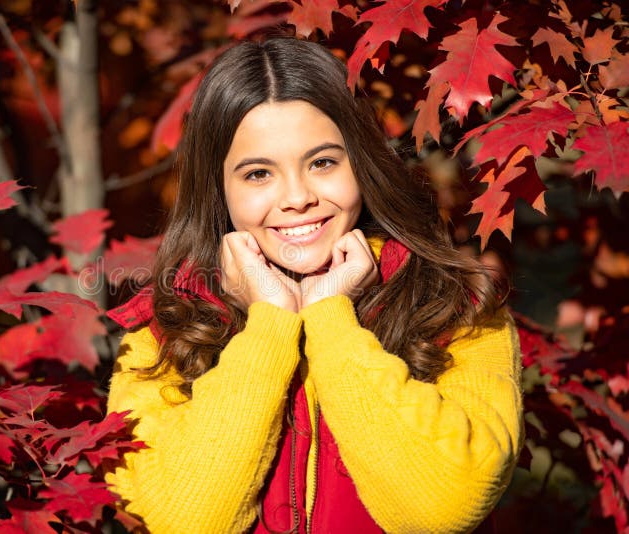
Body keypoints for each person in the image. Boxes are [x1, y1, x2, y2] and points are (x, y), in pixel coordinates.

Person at [105, 37, 523, 534]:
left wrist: (330, 318)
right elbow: (183, 519)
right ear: (219, 188)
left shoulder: (459, 308)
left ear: (361, 163)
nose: (298, 197)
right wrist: (270, 328)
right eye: (259, 174)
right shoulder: (164, 331)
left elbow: (444, 506)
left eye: (323, 162)